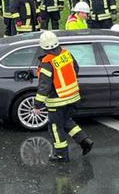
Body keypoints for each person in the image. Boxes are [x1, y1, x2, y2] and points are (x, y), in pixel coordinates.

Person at [36, 30, 93, 160]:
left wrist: (37, 104)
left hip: (57, 100)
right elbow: (75, 69)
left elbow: (44, 86)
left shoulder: (47, 62)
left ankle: (61, 154)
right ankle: (84, 141)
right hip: (73, 96)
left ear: (43, 46)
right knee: (66, 121)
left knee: (55, 127)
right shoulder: (66, 54)